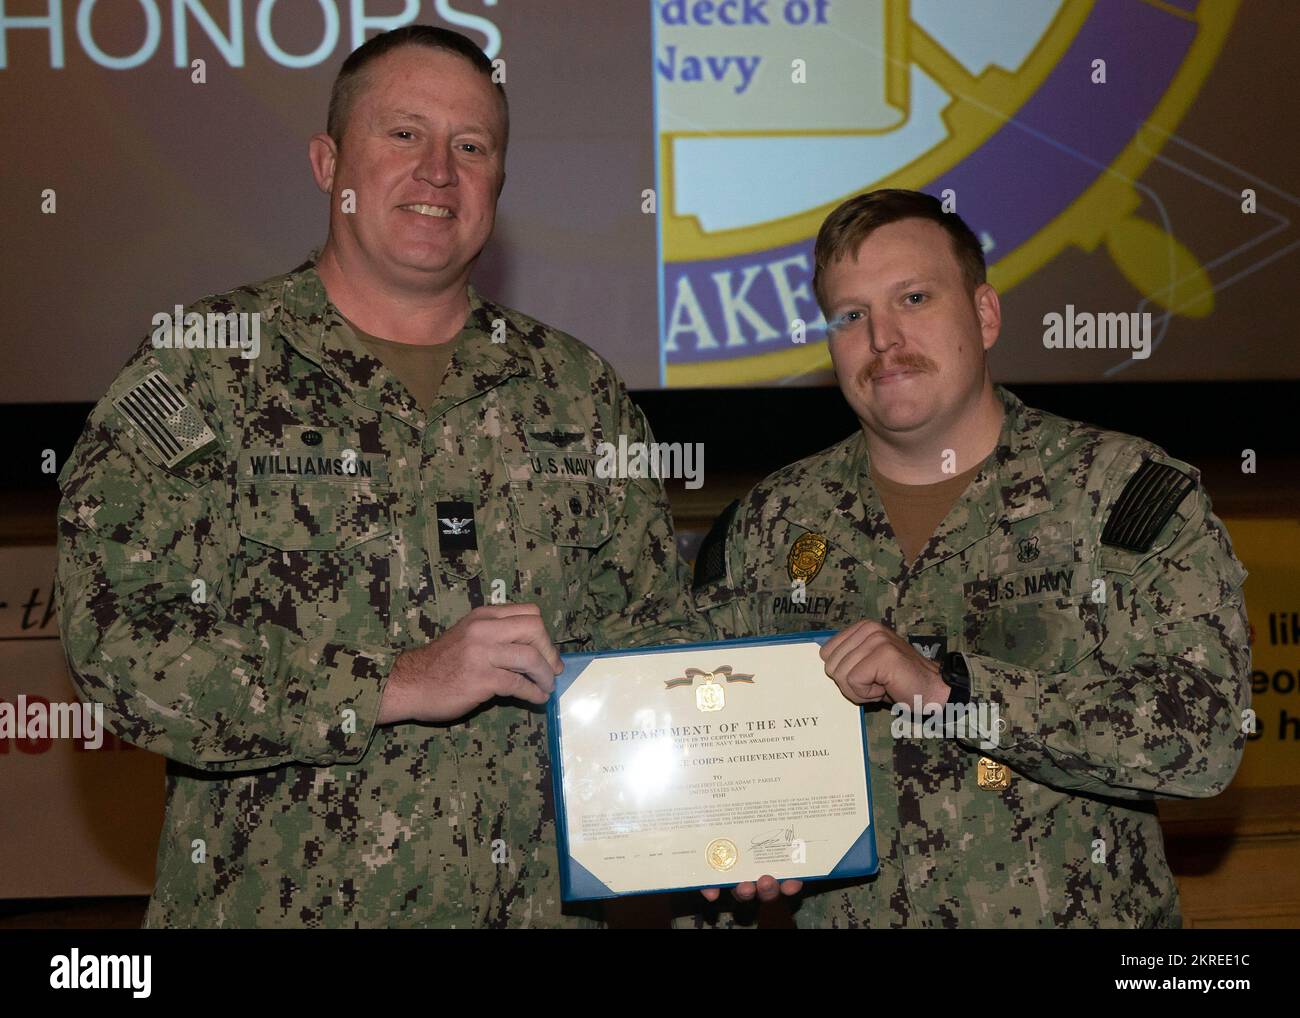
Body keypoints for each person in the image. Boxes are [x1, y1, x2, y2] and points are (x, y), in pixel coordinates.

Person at [54, 25, 705, 928]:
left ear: (497, 186)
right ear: (328, 162)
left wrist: (723, 819)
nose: (439, 170)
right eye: (403, 134)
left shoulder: (579, 392)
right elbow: (119, 647)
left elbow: (657, 650)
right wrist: (396, 680)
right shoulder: (201, 368)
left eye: (471, 147)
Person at [687, 188, 1251, 928]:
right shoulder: (768, 524)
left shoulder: (1121, 497)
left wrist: (950, 687)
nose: (882, 338)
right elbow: (712, 752)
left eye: (913, 298)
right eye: (850, 316)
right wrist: (729, 854)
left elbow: (1204, 738)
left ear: (984, 314)